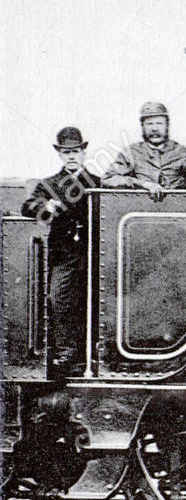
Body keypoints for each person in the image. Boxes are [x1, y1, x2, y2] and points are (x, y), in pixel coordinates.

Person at [21, 127, 99, 376]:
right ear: (60, 155)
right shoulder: (50, 184)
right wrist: (45, 205)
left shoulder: (97, 182)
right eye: (66, 152)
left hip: (94, 256)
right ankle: (66, 353)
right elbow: (28, 206)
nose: (71, 156)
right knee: (58, 298)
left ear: (84, 152)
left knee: (96, 304)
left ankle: (93, 355)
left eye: (75, 151)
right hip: (65, 256)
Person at [108, 101, 186, 191]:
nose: (154, 128)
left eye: (159, 123)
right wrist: (142, 184)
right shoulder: (131, 153)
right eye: (150, 124)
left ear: (167, 125)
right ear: (142, 127)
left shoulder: (183, 154)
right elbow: (109, 179)